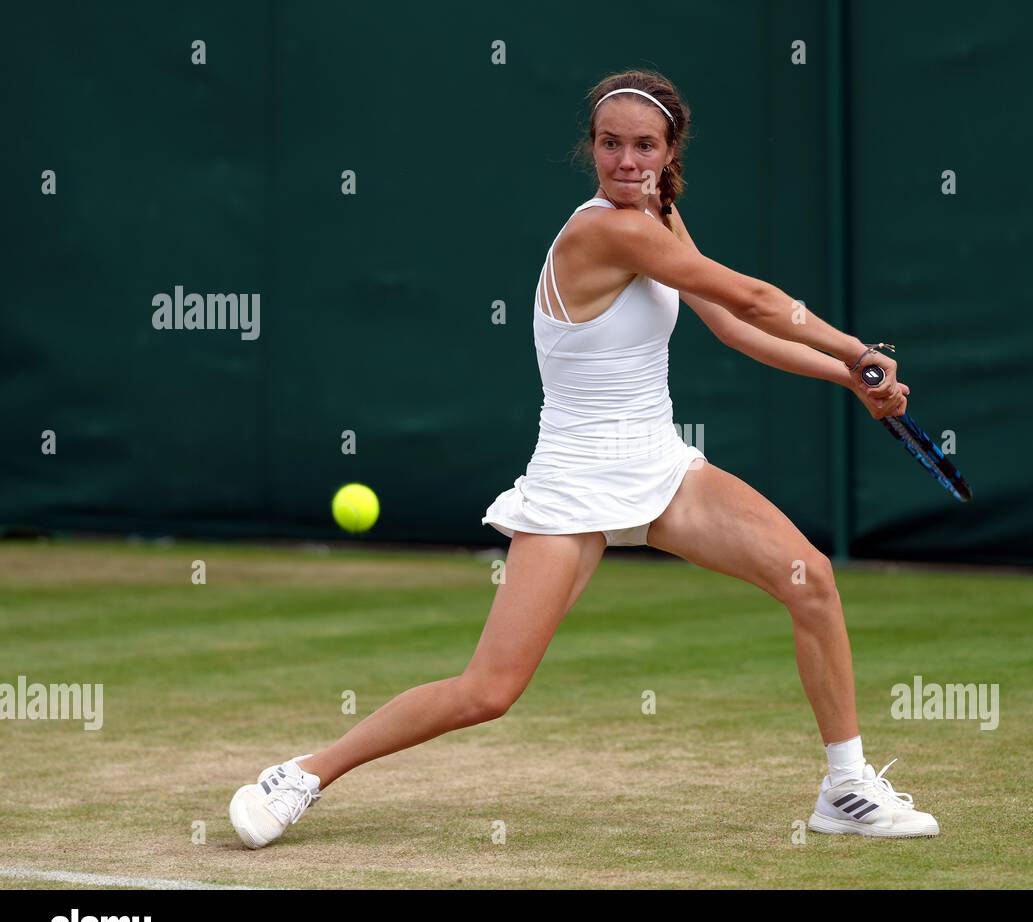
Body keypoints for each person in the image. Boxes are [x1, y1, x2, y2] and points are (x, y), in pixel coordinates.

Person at [228, 69, 938, 850]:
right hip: (574, 481)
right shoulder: (606, 230)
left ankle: (846, 787)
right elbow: (755, 299)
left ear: (670, 154)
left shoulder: (660, 214)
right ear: (591, 148)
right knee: (489, 690)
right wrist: (858, 350)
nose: (626, 161)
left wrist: (847, 379)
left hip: (663, 471)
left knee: (810, 579)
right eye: (610, 144)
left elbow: (732, 329)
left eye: (644, 146)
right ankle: (301, 773)